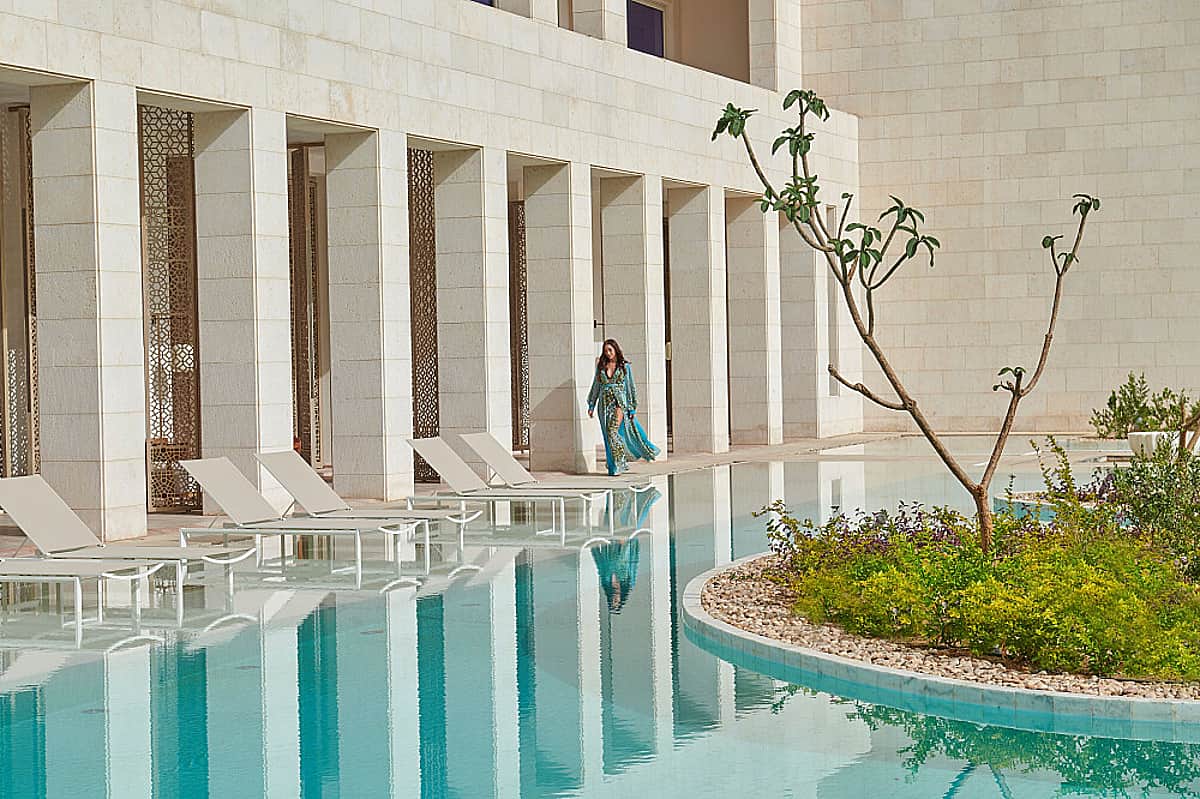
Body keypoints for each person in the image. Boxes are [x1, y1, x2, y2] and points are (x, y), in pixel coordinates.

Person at [587, 339, 660, 477]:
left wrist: (632, 407)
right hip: (603, 405)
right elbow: (596, 385)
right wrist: (591, 404)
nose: (608, 353)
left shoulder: (624, 366)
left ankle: (621, 462)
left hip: (619, 403)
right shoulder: (601, 366)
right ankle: (614, 466)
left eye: (610, 350)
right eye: (605, 350)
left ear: (615, 350)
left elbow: (630, 387)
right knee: (608, 436)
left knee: (613, 432)